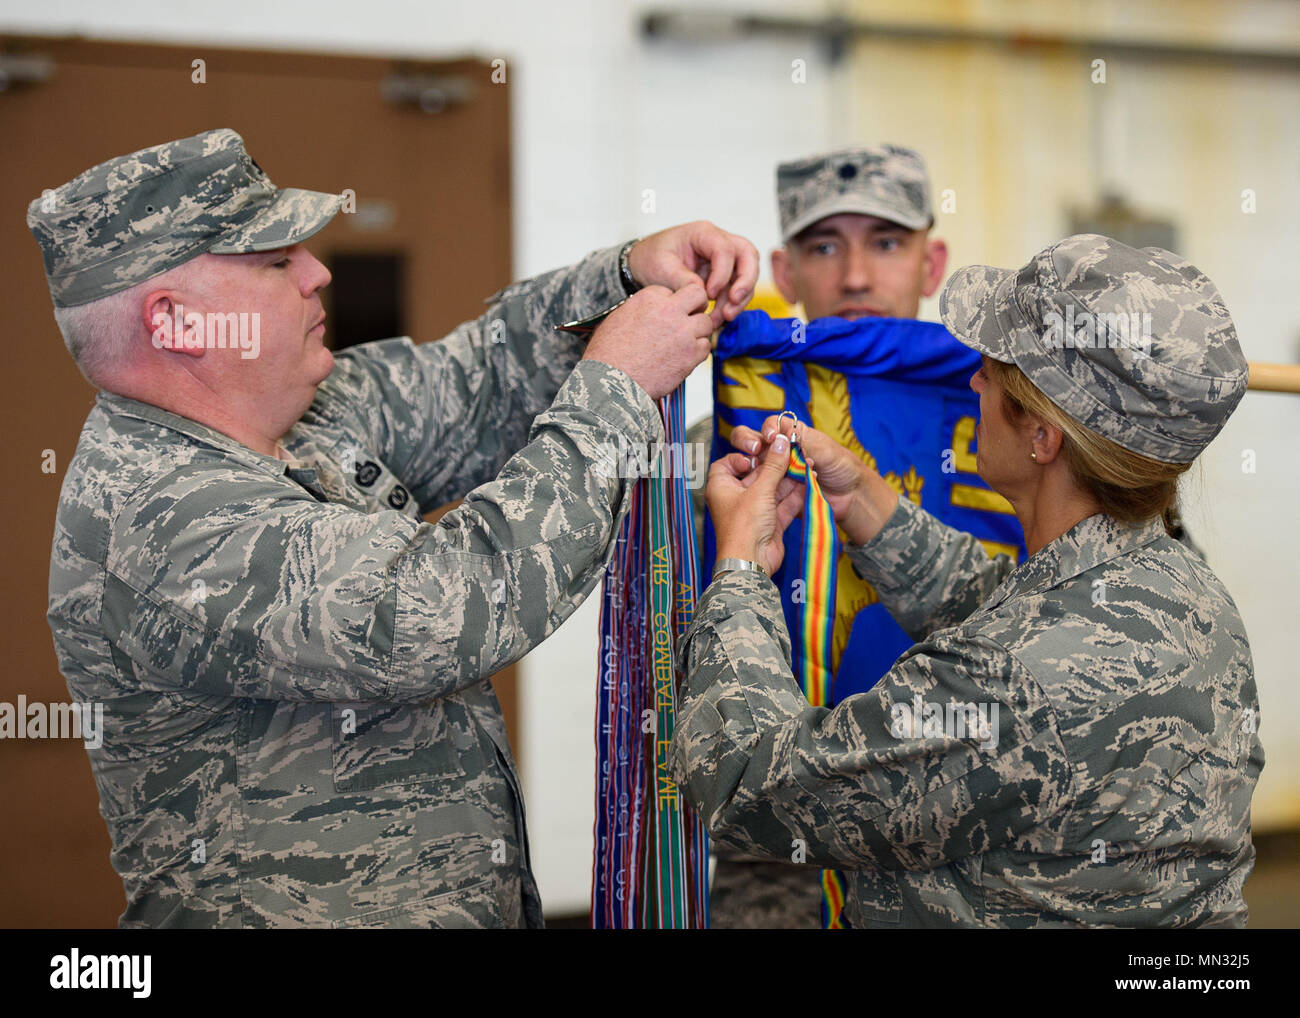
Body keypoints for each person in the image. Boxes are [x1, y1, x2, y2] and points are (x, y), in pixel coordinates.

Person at [31, 128, 758, 928]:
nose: (317, 273)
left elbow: (485, 378)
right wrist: (615, 388)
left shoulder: (307, 411)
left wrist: (622, 277)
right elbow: (434, 613)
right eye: (275, 261)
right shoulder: (160, 519)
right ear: (177, 322)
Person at [672, 234, 1264, 927]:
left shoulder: (1009, 682)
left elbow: (750, 786)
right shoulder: (1187, 594)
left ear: (1043, 439)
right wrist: (860, 495)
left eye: (992, 368)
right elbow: (995, 600)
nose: (973, 381)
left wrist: (740, 564)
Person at [700, 143, 949, 928]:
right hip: (779, 841)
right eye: (823, 245)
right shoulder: (727, 450)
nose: (853, 276)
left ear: (932, 262)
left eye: (885, 241)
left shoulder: (1001, 436)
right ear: (785, 270)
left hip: (956, 820)